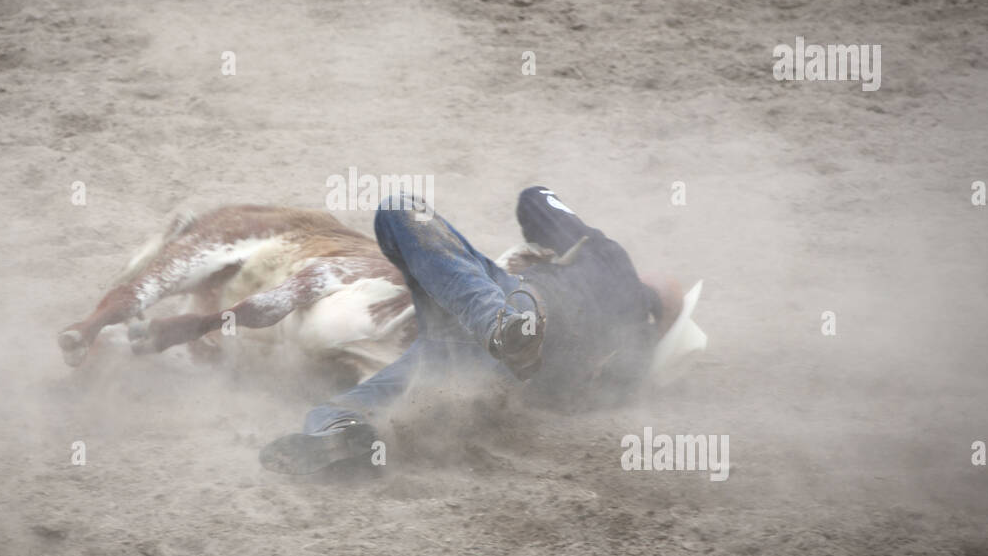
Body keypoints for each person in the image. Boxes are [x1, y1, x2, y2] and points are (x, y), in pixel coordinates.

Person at [259, 186, 679, 474]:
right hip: (490, 374)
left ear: (652, 285)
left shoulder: (610, 257)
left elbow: (533, 198)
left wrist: (571, 240)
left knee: (398, 209)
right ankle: (356, 442)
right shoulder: (632, 365)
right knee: (353, 401)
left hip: (514, 311)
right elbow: (582, 396)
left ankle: (344, 432)